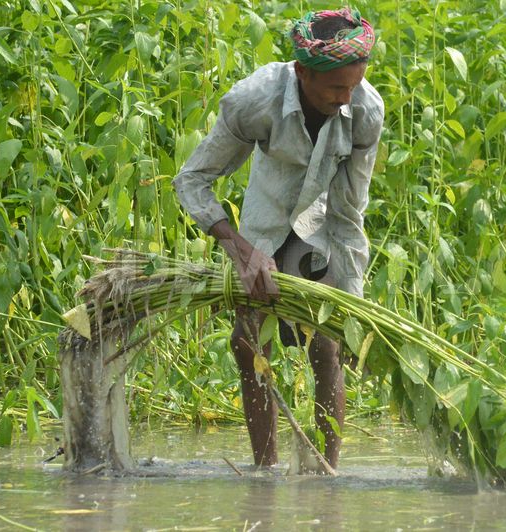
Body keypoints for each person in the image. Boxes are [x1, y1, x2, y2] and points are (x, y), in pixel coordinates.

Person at [172, 7, 383, 469]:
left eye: (352, 86)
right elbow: (192, 181)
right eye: (335, 88)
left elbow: (349, 214)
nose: (345, 98)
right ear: (302, 72)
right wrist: (241, 251)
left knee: (326, 344)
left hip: (321, 223)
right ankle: (263, 471)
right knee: (249, 341)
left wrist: (351, 304)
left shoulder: (364, 110)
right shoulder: (256, 100)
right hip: (265, 217)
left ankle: (328, 472)